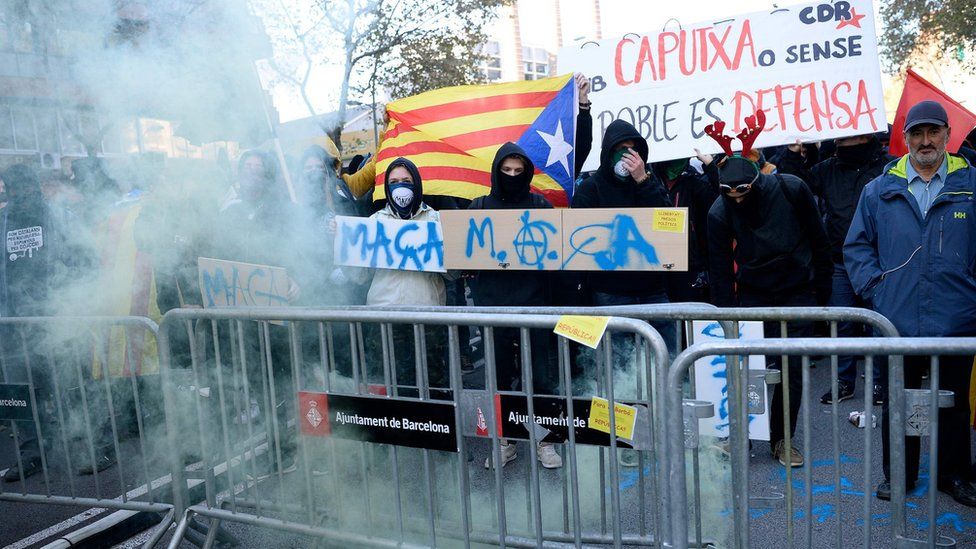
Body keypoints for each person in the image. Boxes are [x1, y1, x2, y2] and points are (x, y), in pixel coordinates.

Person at [844, 100, 976, 506]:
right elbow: (857, 247)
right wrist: (877, 290)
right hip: (896, 320)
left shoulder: (970, 185)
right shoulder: (878, 189)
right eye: (917, 133)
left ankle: (953, 475)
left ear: (947, 136)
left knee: (952, 403)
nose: (925, 141)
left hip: (957, 319)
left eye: (933, 132)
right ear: (905, 139)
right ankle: (898, 474)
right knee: (898, 402)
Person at [705, 112, 832, 468]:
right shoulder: (719, 211)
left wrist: (821, 299)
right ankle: (741, 437)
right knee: (747, 370)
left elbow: (819, 242)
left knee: (790, 371)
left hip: (796, 291)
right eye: (728, 193)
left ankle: (781, 440)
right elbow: (718, 270)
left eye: (742, 190)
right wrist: (727, 317)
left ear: (755, 182)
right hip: (753, 294)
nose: (737, 199)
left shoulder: (792, 188)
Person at [779, 134, 893, 405]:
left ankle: (880, 384)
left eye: (849, 138)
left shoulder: (888, 169)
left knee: (879, 325)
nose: (843, 143)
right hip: (839, 261)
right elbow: (794, 187)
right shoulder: (828, 169)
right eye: (839, 140)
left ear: (867, 135)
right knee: (842, 325)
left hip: (878, 262)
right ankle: (844, 381)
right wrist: (794, 154)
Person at [468, 143, 561, 469]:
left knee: (541, 378)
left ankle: (546, 440)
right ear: (496, 171)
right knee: (500, 380)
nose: (511, 176)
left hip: (535, 309)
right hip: (494, 310)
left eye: (517, 171)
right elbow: (462, 256)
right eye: (505, 171)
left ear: (527, 173)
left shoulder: (541, 206)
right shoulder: (478, 207)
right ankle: (505, 442)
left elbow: (559, 253)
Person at [571, 119, 674, 359]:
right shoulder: (590, 188)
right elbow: (579, 242)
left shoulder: (650, 182)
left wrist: (643, 181)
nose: (627, 156)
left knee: (664, 357)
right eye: (620, 149)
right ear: (608, 153)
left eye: (632, 149)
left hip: (652, 290)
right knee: (617, 362)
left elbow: (669, 224)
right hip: (610, 291)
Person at [354, 158, 455, 394]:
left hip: (427, 317)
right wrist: (343, 242)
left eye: (406, 181)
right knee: (387, 384)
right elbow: (358, 276)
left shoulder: (436, 221)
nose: (400, 186)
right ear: (386, 187)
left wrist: (452, 248)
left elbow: (453, 275)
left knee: (432, 385)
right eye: (394, 182)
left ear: (417, 184)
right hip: (384, 317)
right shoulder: (374, 223)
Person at [0, 164, 72, 481]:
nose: (20, 194)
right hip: (13, 324)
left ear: (35, 186)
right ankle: (31, 453)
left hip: (53, 318)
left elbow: (78, 258)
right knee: (19, 393)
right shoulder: (2, 220)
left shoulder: (57, 215)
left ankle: (88, 445)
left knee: (66, 386)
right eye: (13, 189)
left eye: (25, 187)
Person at [652, 157, 718, 303]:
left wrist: (710, 165)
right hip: (657, 264)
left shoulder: (694, 184)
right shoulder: (650, 184)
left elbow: (722, 196)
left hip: (690, 265)